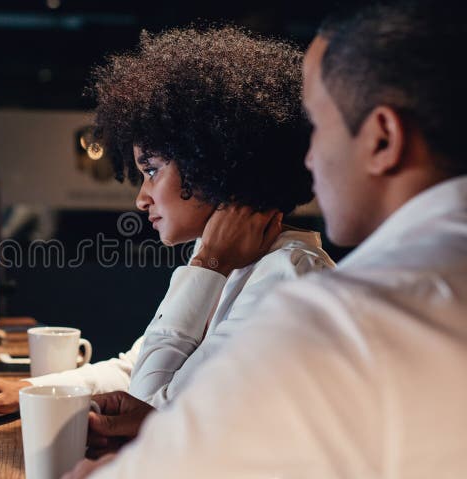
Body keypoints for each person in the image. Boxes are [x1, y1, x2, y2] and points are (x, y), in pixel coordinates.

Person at [67, 2, 467, 477]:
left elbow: (153, 429)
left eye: (316, 127)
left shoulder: (330, 312)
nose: (308, 158)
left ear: (382, 138)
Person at [0, 26, 333, 419]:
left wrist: (206, 267)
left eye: (151, 169)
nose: (141, 198)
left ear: (213, 163)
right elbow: (136, 366)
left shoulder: (285, 280)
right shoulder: (241, 259)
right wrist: (30, 390)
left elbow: (149, 407)